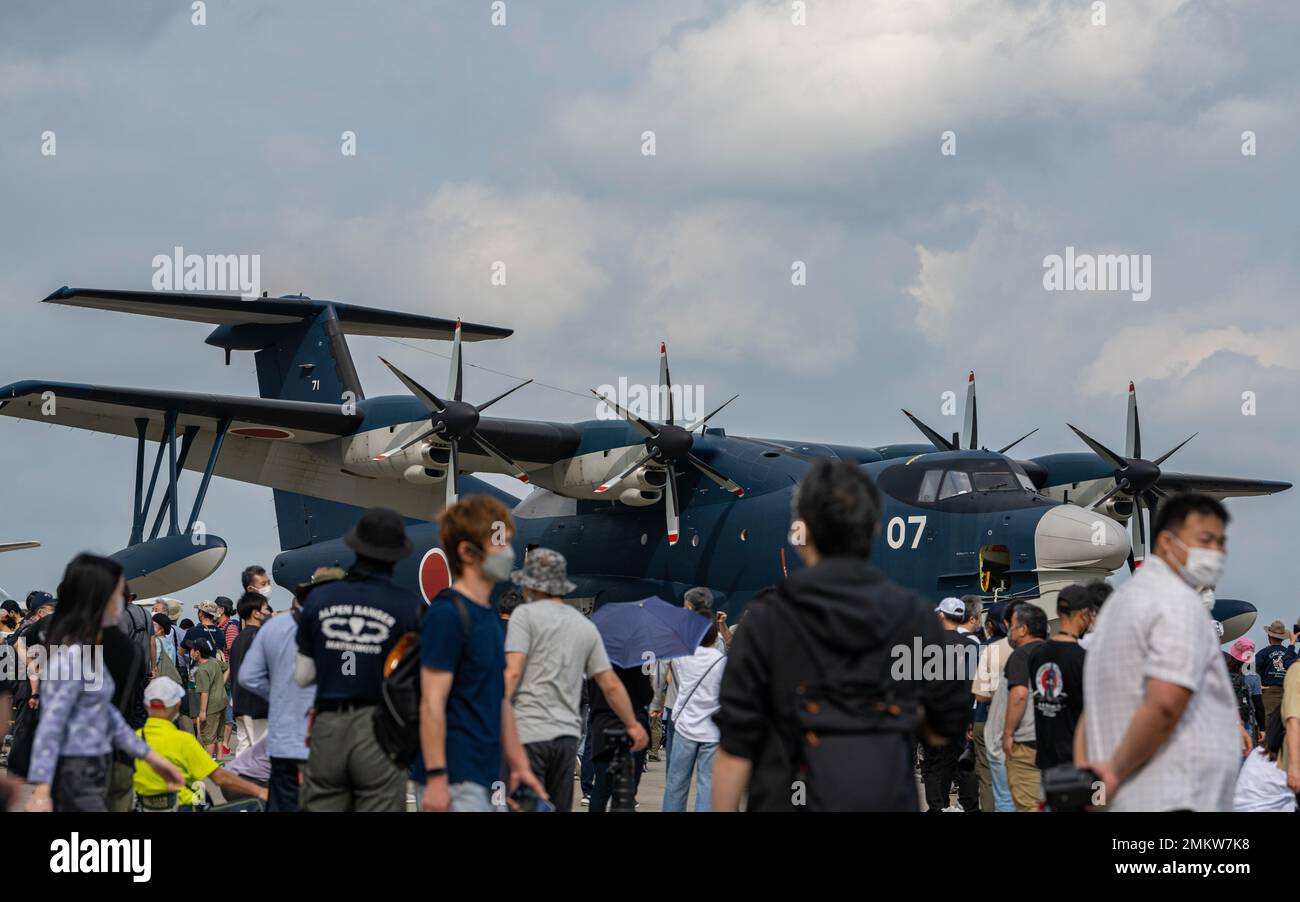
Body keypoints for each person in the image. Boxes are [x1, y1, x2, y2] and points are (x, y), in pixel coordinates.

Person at [713, 459, 970, 811]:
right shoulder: (915, 618)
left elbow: (735, 750)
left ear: (801, 532)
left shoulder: (765, 621)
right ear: (875, 528)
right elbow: (944, 727)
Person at [1079, 493, 1247, 811]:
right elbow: (1166, 703)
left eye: (1221, 542)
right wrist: (1113, 772)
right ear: (1168, 542)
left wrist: (1095, 789)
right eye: (1205, 540)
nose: (1217, 552)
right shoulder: (1177, 603)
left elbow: (1091, 714)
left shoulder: (1120, 604)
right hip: (1175, 795)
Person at [417, 496, 547, 812]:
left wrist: (519, 766)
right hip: (455, 778)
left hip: (486, 774)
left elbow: (498, 699)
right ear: (466, 552)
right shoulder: (447, 615)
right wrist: (435, 777)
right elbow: (431, 701)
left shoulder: (489, 616)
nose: (508, 552)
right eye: (498, 542)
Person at [24, 554, 184, 811]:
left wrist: (151, 757)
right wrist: (42, 790)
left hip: (96, 767)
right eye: (118, 594)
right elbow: (52, 723)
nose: (123, 603)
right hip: (76, 774)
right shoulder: (74, 658)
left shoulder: (87, 651)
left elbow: (105, 714)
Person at [295, 508, 424, 812]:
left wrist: (340, 662)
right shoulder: (408, 607)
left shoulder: (319, 600)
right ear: (397, 556)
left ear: (354, 547)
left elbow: (302, 675)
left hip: (328, 725)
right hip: (380, 729)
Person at [503, 548, 645, 811]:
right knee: (559, 805)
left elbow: (512, 672)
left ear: (532, 586)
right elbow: (609, 683)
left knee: (524, 804)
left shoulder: (524, 617)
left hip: (529, 733)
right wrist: (632, 724)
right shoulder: (584, 626)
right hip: (566, 737)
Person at [241, 568, 339, 812]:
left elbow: (247, 676)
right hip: (328, 738)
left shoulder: (274, 626)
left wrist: (278, 694)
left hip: (284, 741)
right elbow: (350, 675)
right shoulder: (341, 628)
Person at [132, 676, 267, 810]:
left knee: (199, 785)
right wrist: (259, 791)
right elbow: (220, 778)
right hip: (182, 806)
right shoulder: (183, 740)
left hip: (146, 806)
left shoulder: (135, 738)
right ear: (177, 705)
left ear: (146, 705)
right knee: (254, 805)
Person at [1026, 585, 1094, 776]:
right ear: (1084, 614)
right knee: (1099, 801)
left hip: (1047, 760)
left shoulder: (1037, 654)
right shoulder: (1084, 659)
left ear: (1057, 612)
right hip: (1079, 760)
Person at [662, 613, 727, 812]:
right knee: (707, 783)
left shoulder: (682, 656)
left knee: (676, 783)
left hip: (684, 726)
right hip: (712, 729)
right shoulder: (721, 659)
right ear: (714, 636)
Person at [920, 596, 978, 813]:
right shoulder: (971, 646)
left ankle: (937, 807)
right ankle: (970, 805)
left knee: (933, 764)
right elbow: (973, 684)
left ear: (941, 615)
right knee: (962, 762)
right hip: (961, 713)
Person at [972, 600, 1015, 813]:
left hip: (987, 719)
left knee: (988, 779)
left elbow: (980, 695)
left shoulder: (987, 649)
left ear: (990, 626)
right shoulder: (1028, 648)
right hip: (1020, 723)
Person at [229, 591, 271, 756]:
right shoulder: (259, 635)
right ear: (256, 613)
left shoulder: (239, 639)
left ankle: (235, 780)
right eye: (265, 609)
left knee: (244, 748)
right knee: (261, 752)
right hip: (257, 704)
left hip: (240, 702)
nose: (268, 613)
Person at [190, 637, 228, 757]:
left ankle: (209, 765)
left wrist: (202, 712)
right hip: (222, 702)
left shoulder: (202, 670)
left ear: (197, 653)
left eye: (192, 649)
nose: (190, 651)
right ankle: (219, 761)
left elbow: (204, 693)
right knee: (219, 735)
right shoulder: (213, 661)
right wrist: (221, 683)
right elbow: (228, 667)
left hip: (211, 706)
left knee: (209, 737)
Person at [1226, 638, 1266, 745]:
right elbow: (1258, 705)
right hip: (1245, 722)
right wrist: (1262, 728)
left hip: (1223, 720)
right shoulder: (1254, 677)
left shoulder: (1221, 673)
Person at [1255, 621, 1296, 722]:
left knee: (1267, 723)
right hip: (1288, 694)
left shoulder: (1263, 653)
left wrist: (1257, 685)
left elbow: (1251, 670)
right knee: (1286, 724)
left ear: (1269, 636)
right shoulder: (1291, 654)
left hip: (1269, 692)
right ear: (1282, 638)